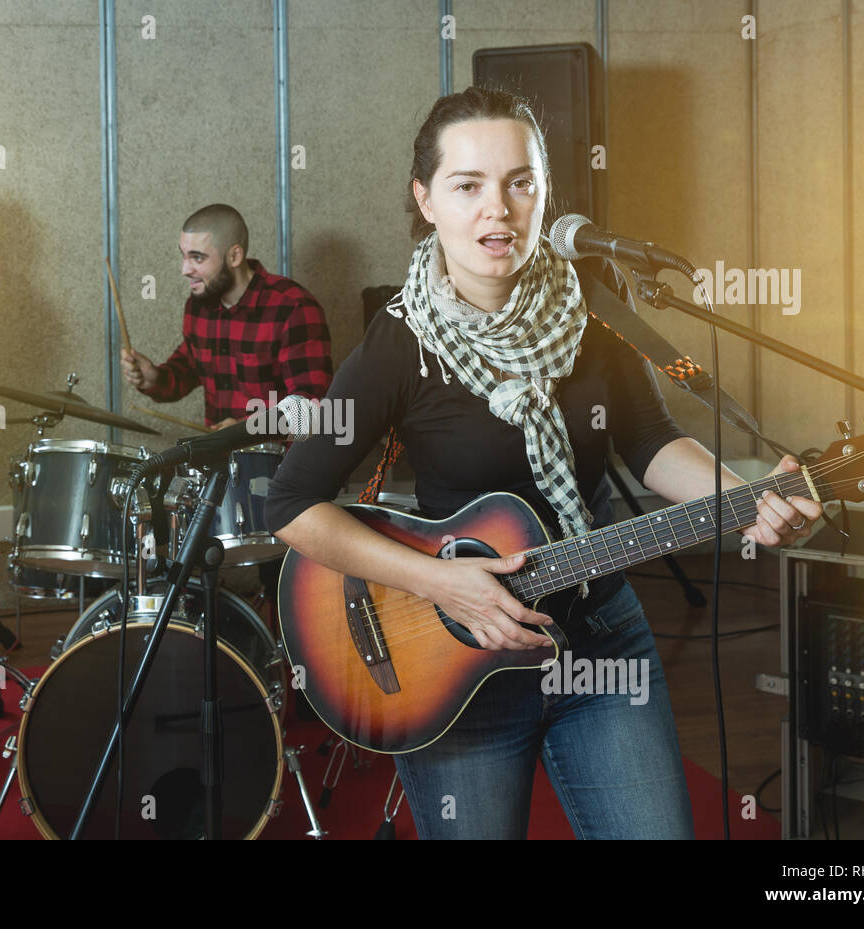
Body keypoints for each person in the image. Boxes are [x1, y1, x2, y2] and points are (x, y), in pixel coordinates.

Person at [264, 87, 823, 839]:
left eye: (520, 182)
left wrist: (752, 497)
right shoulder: (402, 341)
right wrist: (444, 584)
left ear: (544, 194)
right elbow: (293, 505)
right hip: (454, 657)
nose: (499, 208)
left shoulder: (595, 307)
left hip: (600, 639)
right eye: (468, 186)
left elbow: (651, 442)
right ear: (425, 199)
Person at [121, 204, 333, 610]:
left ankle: (287, 662)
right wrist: (155, 379)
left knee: (286, 599)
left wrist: (244, 429)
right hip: (217, 473)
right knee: (175, 563)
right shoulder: (200, 306)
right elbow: (187, 369)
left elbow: (311, 411)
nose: (185, 269)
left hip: (283, 478)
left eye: (197, 258)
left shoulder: (293, 307)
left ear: (234, 256)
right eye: (183, 256)